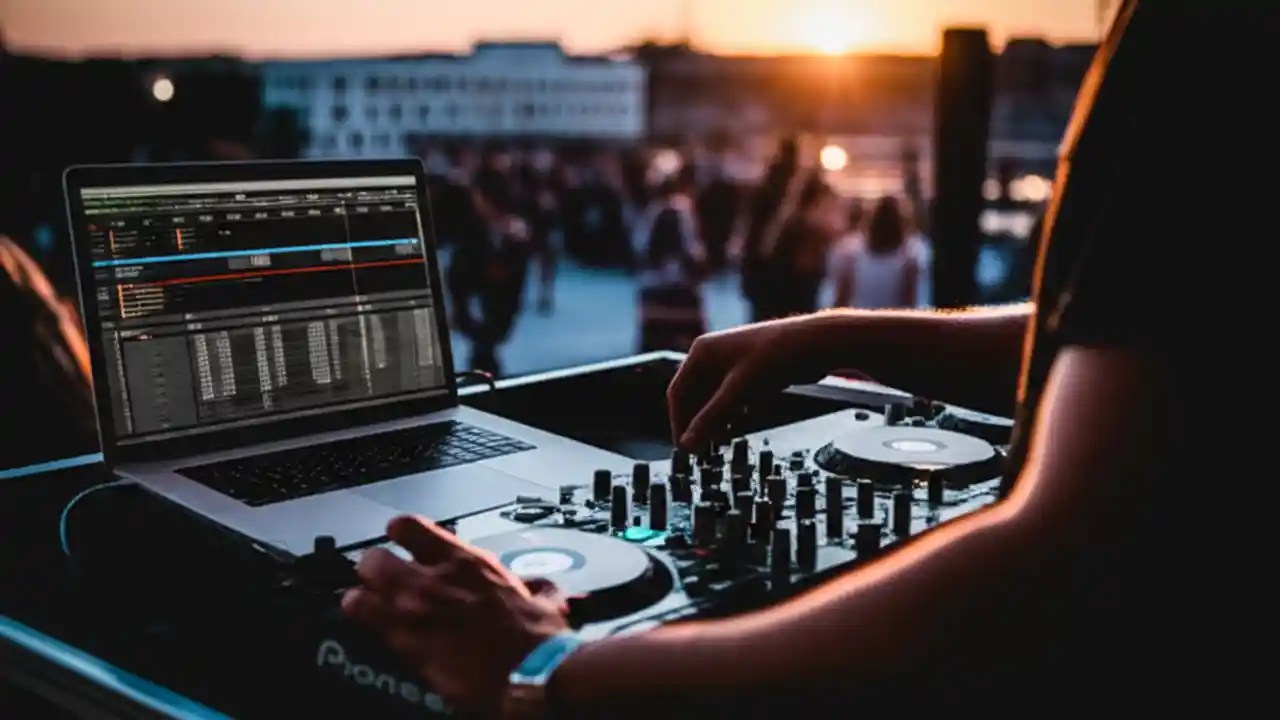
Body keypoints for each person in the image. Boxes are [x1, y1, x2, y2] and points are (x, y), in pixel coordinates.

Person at [340, 2, 1241, 716]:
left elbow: (1059, 567)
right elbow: (1147, 340)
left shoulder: (1209, 33)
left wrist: (548, 668)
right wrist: (841, 332)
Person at [446, 168, 532, 377]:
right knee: (482, 348)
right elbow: (458, 271)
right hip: (475, 299)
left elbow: (515, 275)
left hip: (497, 302)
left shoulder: (513, 232)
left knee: (486, 343)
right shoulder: (473, 227)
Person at [631, 174, 707, 353]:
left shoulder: (652, 212)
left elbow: (640, 246)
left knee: (654, 341)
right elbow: (692, 249)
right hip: (679, 287)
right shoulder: (682, 210)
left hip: (654, 285)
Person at [831, 196, 925, 309]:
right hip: (892, 323)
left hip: (858, 322)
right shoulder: (908, 262)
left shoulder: (851, 257)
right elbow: (910, 305)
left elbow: (840, 301)